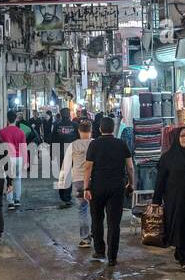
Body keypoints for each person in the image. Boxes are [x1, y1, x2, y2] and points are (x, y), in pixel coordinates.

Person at [83, 116, 134, 266]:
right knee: (114, 223)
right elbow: (130, 167)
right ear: (114, 128)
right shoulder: (121, 144)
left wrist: (86, 187)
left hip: (97, 187)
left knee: (97, 219)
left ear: (99, 129)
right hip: (116, 187)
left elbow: (88, 167)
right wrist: (131, 183)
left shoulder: (94, 145)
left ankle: (99, 250)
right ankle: (112, 257)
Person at [153, 126, 185, 270]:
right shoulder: (168, 157)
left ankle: (181, 253)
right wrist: (156, 201)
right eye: (182, 135)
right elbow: (160, 180)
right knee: (179, 227)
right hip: (174, 200)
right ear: (177, 138)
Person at [58, 120, 95, 247]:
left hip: (79, 181)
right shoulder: (96, 144)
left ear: (79, 131)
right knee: (96, 209)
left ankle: (85, 239)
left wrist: (62, 182)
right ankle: (96, 231)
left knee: (82, 209)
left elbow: (66, 165)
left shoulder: (73, 145)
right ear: (91, 130)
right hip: (95, 181)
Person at [0, 110, 28, 209]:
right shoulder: (21, 132)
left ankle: (10, 201)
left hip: (8, 158)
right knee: (18, 178)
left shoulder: (2, 132)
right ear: (16, 119)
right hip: (19, 157)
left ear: (7, 119)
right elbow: (24, 147)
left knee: (8, 179)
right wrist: (26, 161)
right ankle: (17, 200)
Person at [51, 107, 80, 208]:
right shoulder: (75, 125)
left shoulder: (57, 126)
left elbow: (52, 140)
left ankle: (62, 194)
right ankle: (66, 197)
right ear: (69, 114)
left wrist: (52, 155)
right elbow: (79, 140)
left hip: (59, 153)